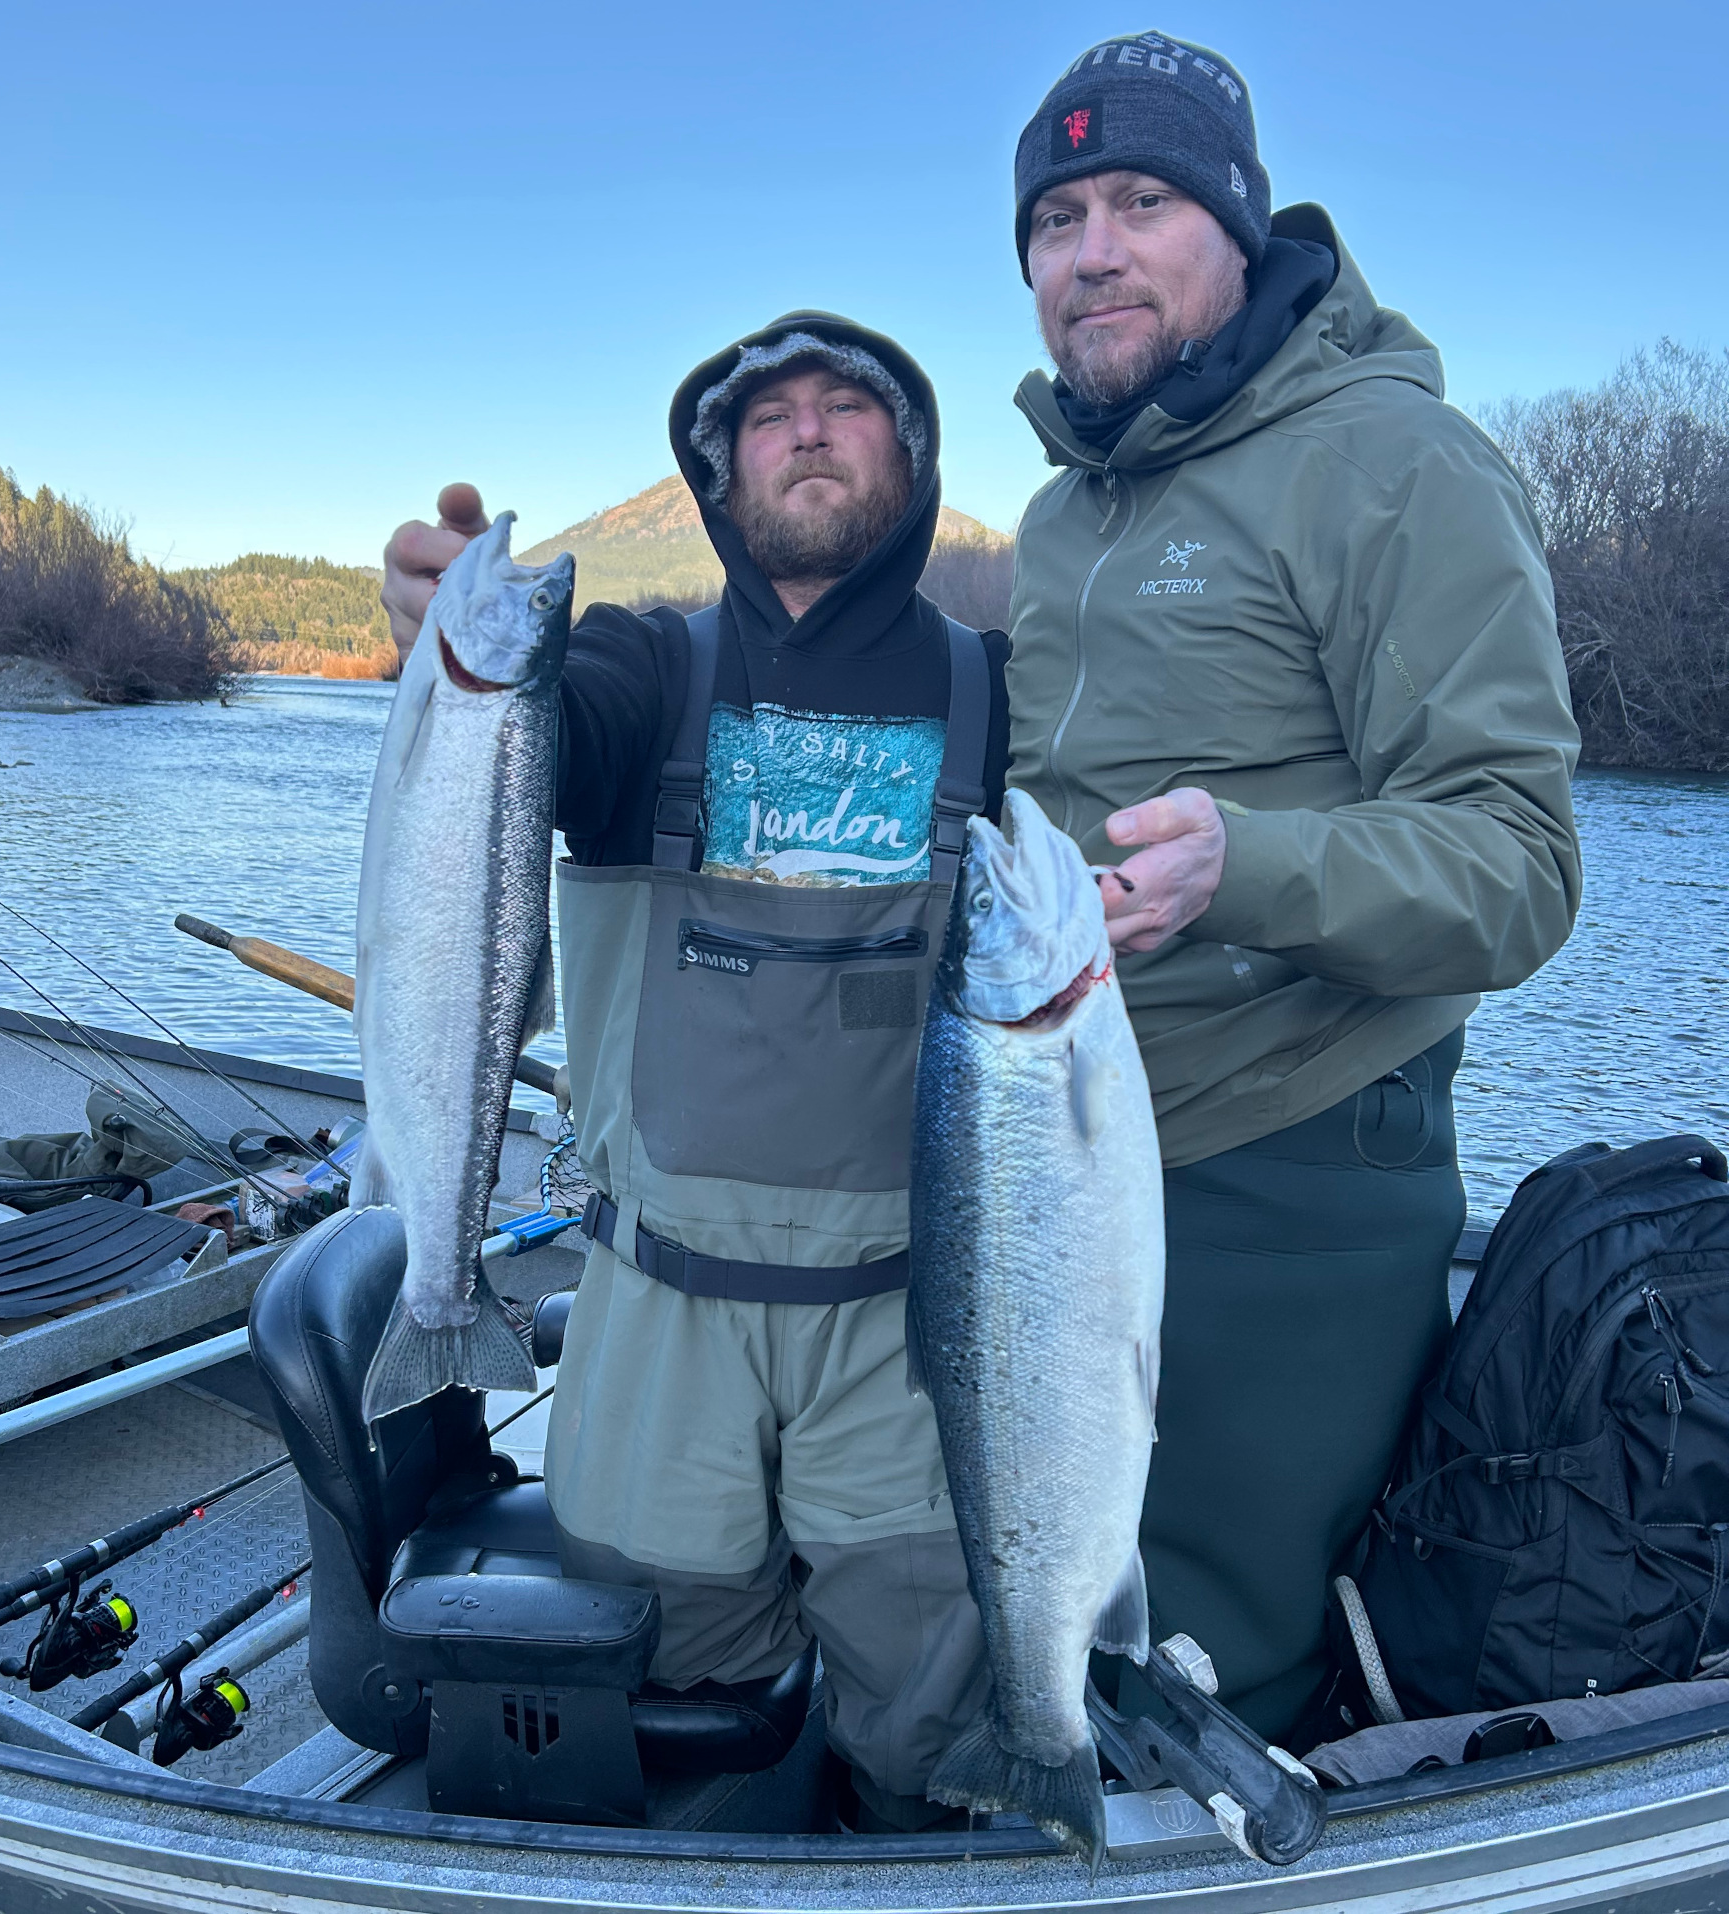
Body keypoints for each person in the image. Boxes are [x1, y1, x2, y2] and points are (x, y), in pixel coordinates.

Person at [1004, 33, 1583, 1742]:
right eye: (1054, 218)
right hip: (1056, 1152)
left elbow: (1522, 862)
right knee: (1010, 1617)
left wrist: (1247, 867)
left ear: (1240, 236)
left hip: (1291, 1164)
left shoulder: (1396, 460)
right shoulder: (1059, 514)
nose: (1090, 248)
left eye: (1144, 201)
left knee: (1197, 1678)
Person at [381, 315, 1008, 1829]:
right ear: (717, 474)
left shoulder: (999, 695)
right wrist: (440, 654)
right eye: (770, 414)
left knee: (931, 1712)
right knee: (692, 1681)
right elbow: (534, 742)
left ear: (909, 458)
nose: (805, 430)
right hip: (652, 1308)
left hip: (906, 1325)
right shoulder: (633, 665)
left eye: (844, 407)